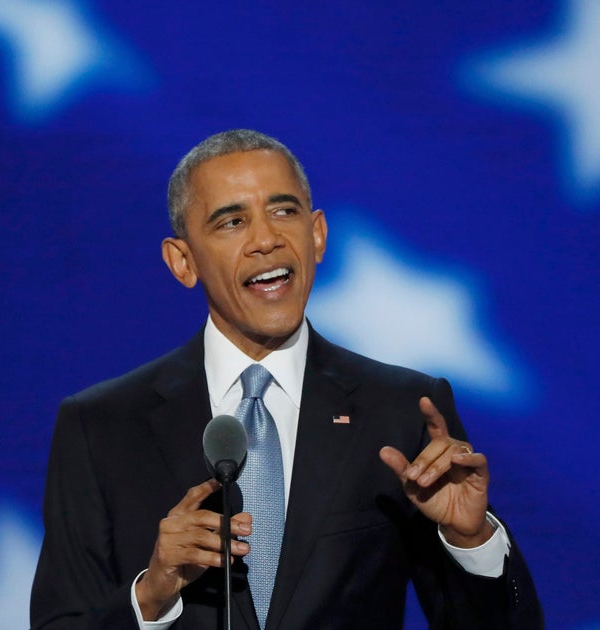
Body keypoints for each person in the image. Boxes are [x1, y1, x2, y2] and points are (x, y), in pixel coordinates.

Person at [30, 130, 543, 629]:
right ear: (182, 262)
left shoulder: (404, 410)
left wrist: (469, 541)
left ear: (316, 235)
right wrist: (152, 595)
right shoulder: (101, 427)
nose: (266, 240)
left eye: (284, 211)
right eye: (231, 222)